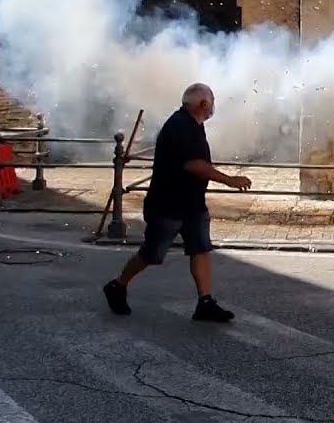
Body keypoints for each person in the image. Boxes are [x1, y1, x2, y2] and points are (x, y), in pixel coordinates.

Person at [102, 83, 252, 322]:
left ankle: (205, 302)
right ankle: (117, 286)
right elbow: (195, 165)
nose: (213, 105)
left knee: (201, 249)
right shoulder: (180, 126)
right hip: (168, 205)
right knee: (151, 254)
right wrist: (230, 180)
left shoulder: (194, 124)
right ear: (203, 104)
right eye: (212, 101)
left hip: (192, 204)